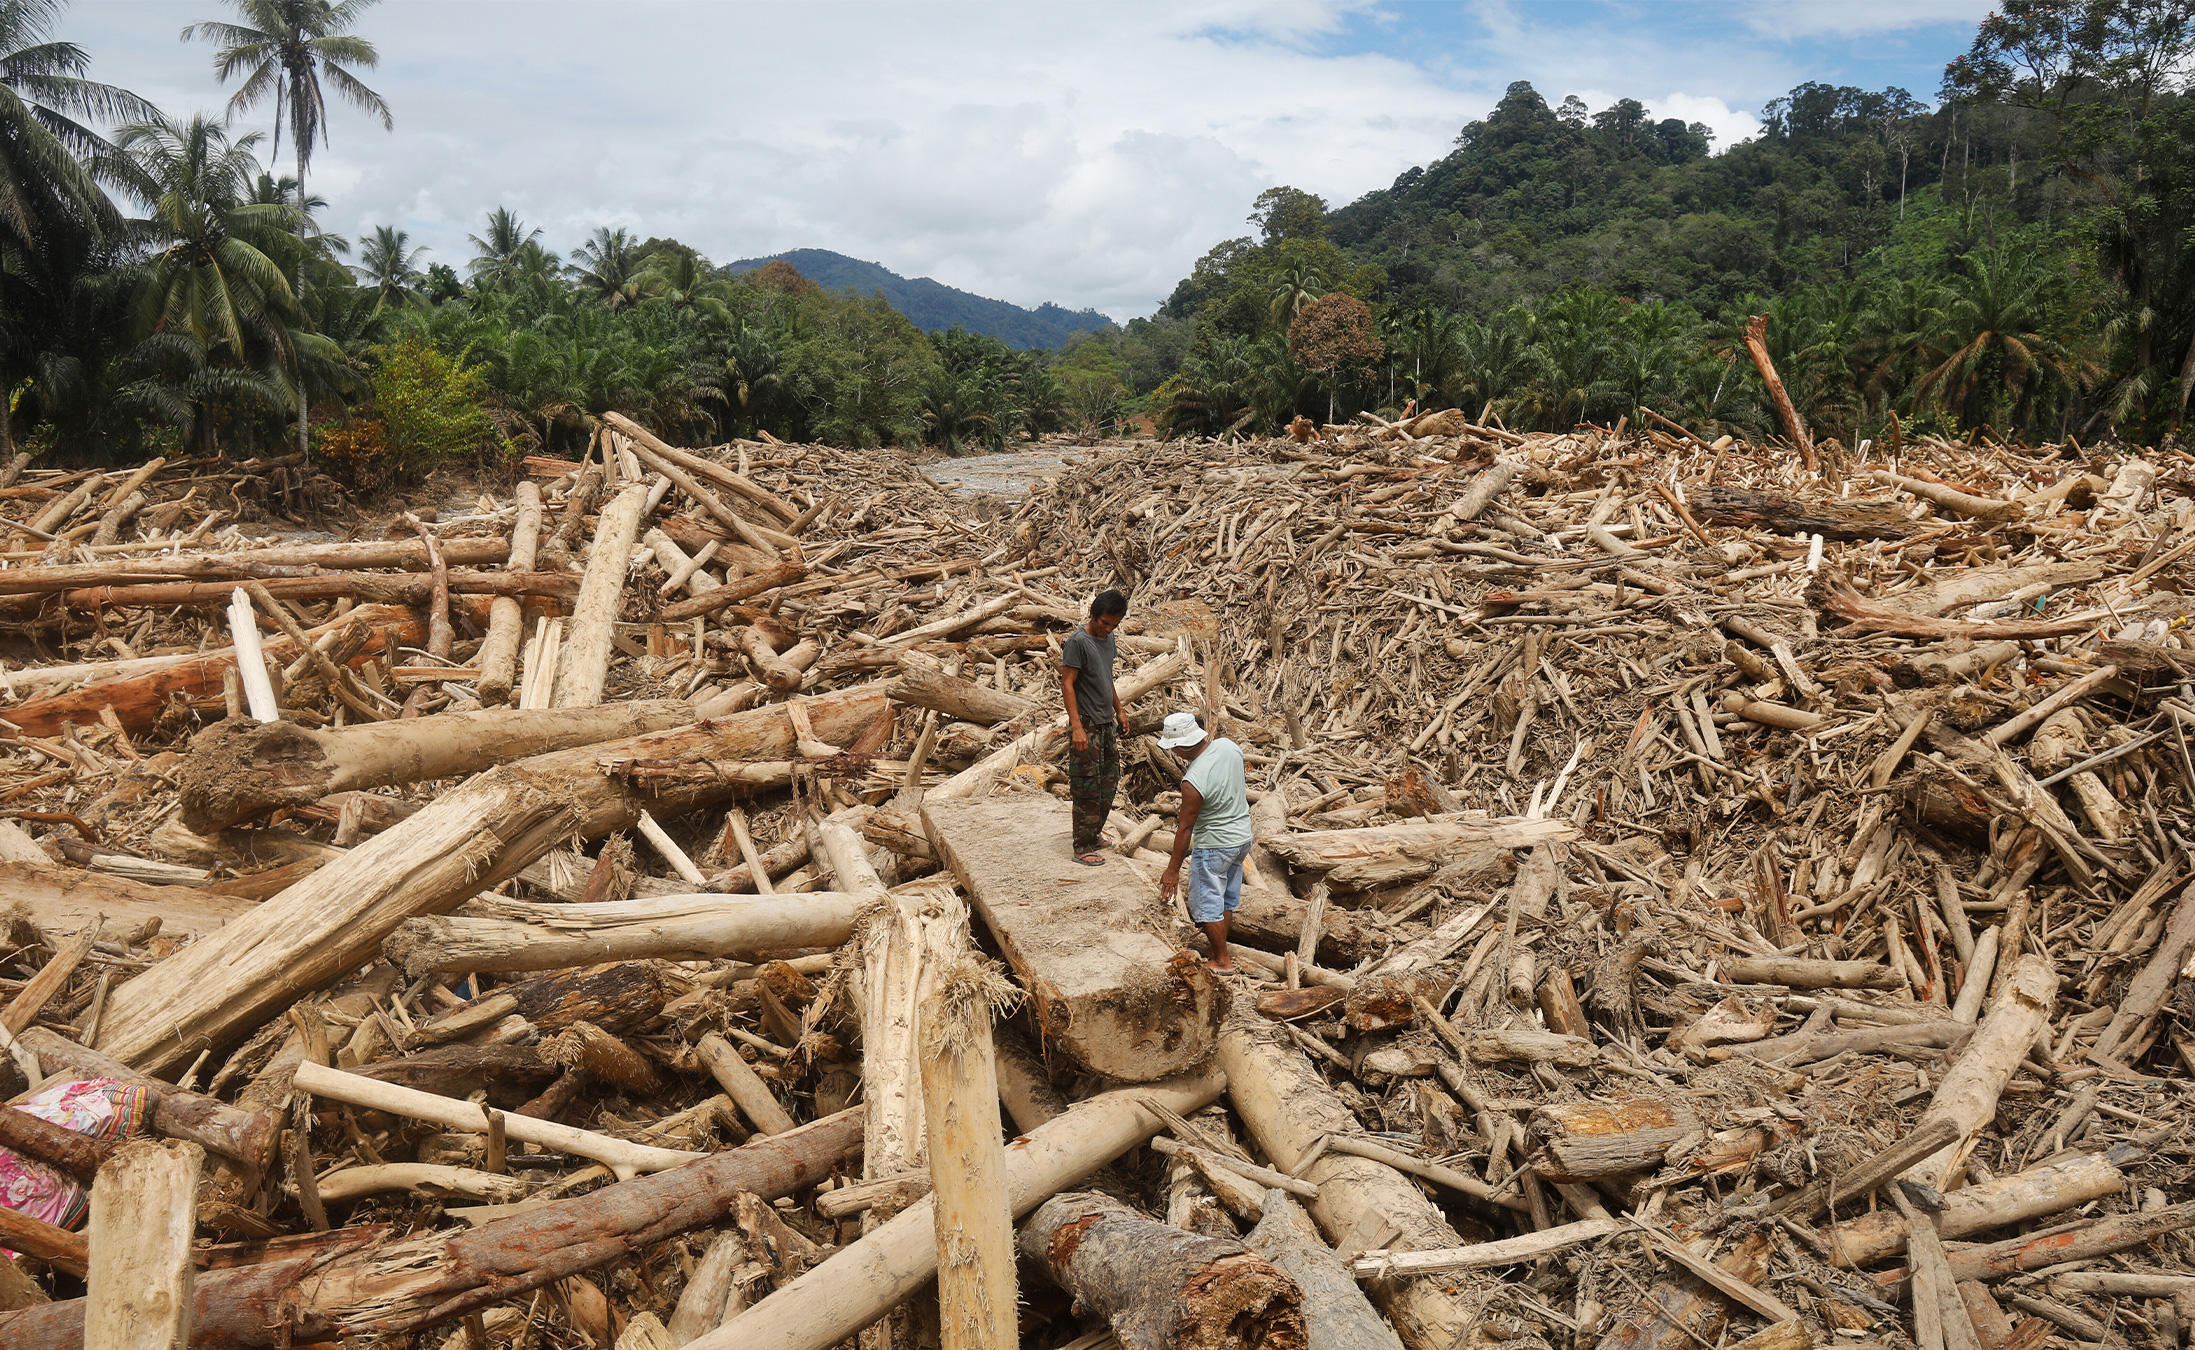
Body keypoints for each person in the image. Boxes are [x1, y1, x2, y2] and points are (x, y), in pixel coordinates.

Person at [1155, 711, 1253, 974]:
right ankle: (1217, 948)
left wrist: (1172, 870)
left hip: (1215, 844)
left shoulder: (1193, 781)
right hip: (1241, 837)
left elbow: (1185, 828)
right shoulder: (1228, 747)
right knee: (1226, 897)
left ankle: (1222, 960)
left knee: (1206, 901)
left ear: (1179, 746)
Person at [1061, 589, 1130, 865]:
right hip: (1087, 724)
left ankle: (1093, 833)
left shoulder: (1108, 639)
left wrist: (1120, 710)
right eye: (1104, 623)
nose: (1107, 629)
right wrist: (1076, 727)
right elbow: (1067, 684)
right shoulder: (1078, 642)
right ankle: (1081, 846)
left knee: (1109, 781)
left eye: (1113, 625)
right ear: (1093, 615)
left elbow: (1106, 677)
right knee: (1086, 785)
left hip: (1106, 723)